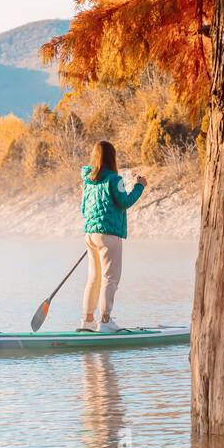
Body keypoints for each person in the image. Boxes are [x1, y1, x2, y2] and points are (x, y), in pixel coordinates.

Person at [79, 141, 145, 331]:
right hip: (109, 235)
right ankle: (106, 321)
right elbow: (125, 202)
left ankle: (87, 320)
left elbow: (83, 208)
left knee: (93, 278)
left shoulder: (88, 180)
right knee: (110, 278)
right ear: (111, 157)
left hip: (91, 234)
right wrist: (139, 186)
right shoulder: (114, 180)